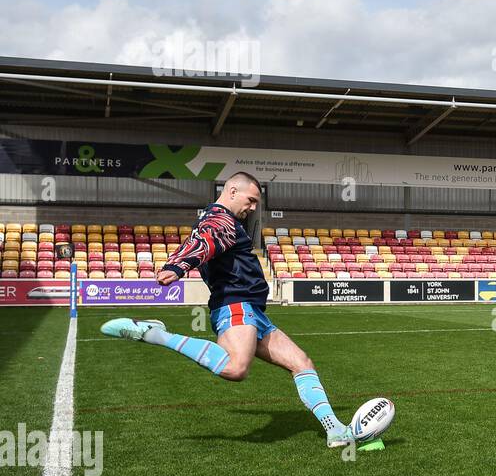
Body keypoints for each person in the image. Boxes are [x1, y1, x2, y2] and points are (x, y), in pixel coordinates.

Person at [100, 171, 353, 447]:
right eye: (251, 200)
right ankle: (156, 334)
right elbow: (206, 241)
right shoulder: (219, 219)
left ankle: (336, 430)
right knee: (235, 367)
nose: (253, 207)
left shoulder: (226, 220)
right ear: (232, 191)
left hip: (252, 310)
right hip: (235, 303)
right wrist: (178, 265)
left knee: (301, 363)